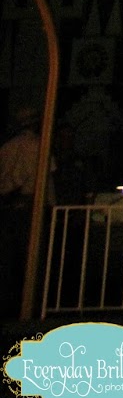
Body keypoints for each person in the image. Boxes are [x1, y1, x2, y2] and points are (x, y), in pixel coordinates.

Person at [0, 105, 51, 317]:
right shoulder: (39, 145)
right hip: (31, 206)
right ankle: (29, 303)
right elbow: (48, 179)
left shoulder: (6, 147)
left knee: (8, 256)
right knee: (31, 256)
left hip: (9, 205)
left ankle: (10, 301)